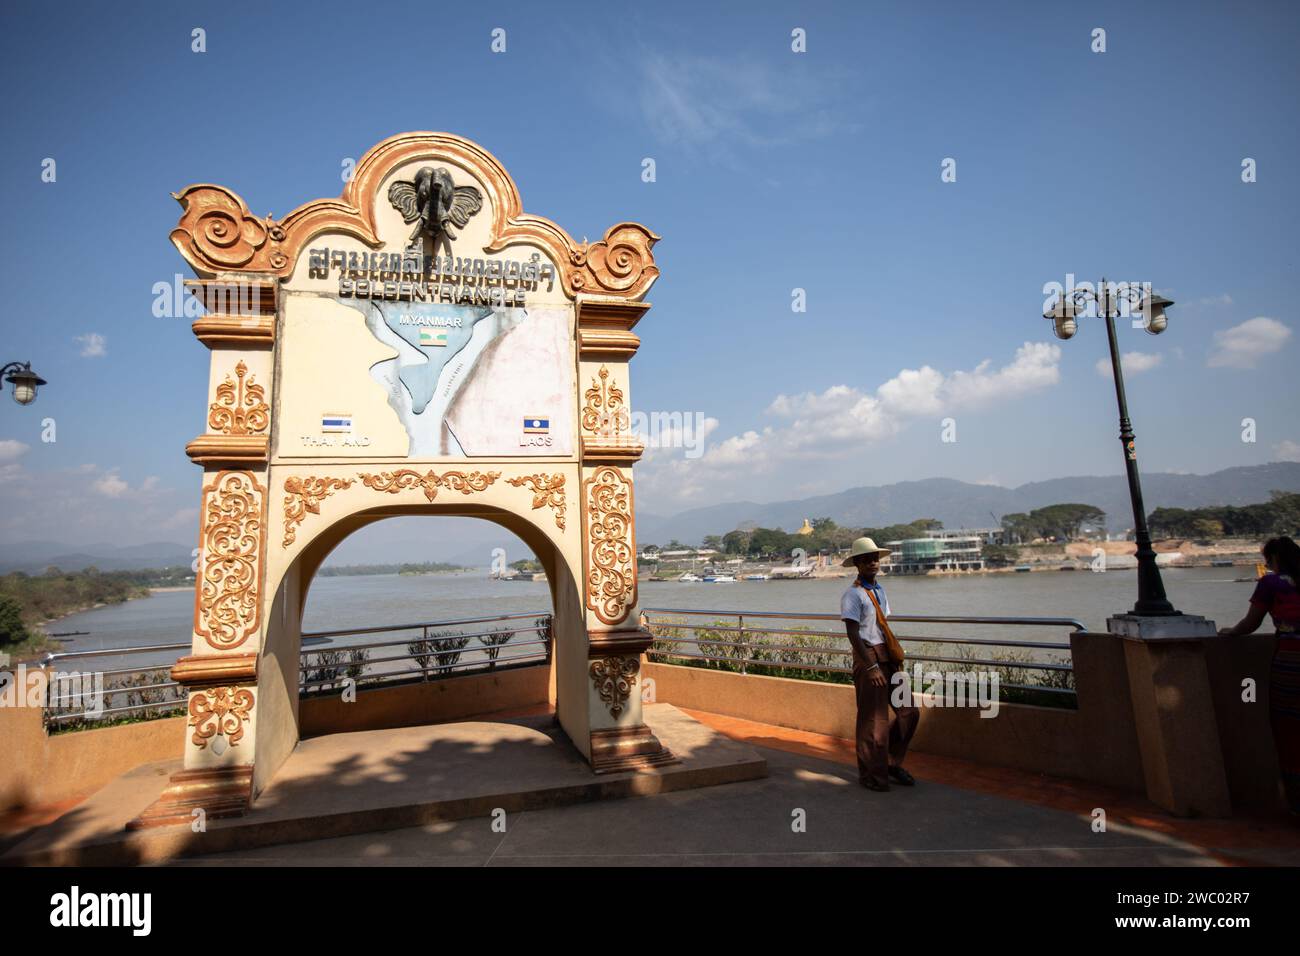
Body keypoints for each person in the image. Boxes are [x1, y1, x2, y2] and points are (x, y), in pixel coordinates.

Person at [1218, 535, 1300, 815]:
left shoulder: (1271, 584)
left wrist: (1230, 631)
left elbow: (1251, 623)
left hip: (1291, 662)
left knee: (1290, 730)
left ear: (1274, 559)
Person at [840, 536, 919, 791]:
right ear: (857, 564)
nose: (872, 563)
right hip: (868, 658)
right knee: (874, 721)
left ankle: (891, 763)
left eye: (874, 558)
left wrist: (894, 658)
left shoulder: (880, 591)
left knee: (909, 713)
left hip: (887, 656)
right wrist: (871, 667)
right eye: (866, 560)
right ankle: (873, 775)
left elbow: (882, 625)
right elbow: (853, 633)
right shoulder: (853, 595)